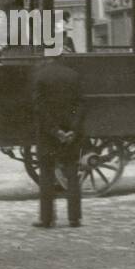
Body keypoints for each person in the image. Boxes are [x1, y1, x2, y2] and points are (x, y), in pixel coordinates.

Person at [30, 55, 84, 228]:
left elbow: (39, 108)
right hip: (71, 134)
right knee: (72, 173)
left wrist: (55, 131)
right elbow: (81, 105)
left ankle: (47, 219)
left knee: (46, 175)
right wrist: (71, 131)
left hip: (47, 135)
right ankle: (74, 218)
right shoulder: (74, 75)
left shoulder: (40, 76)